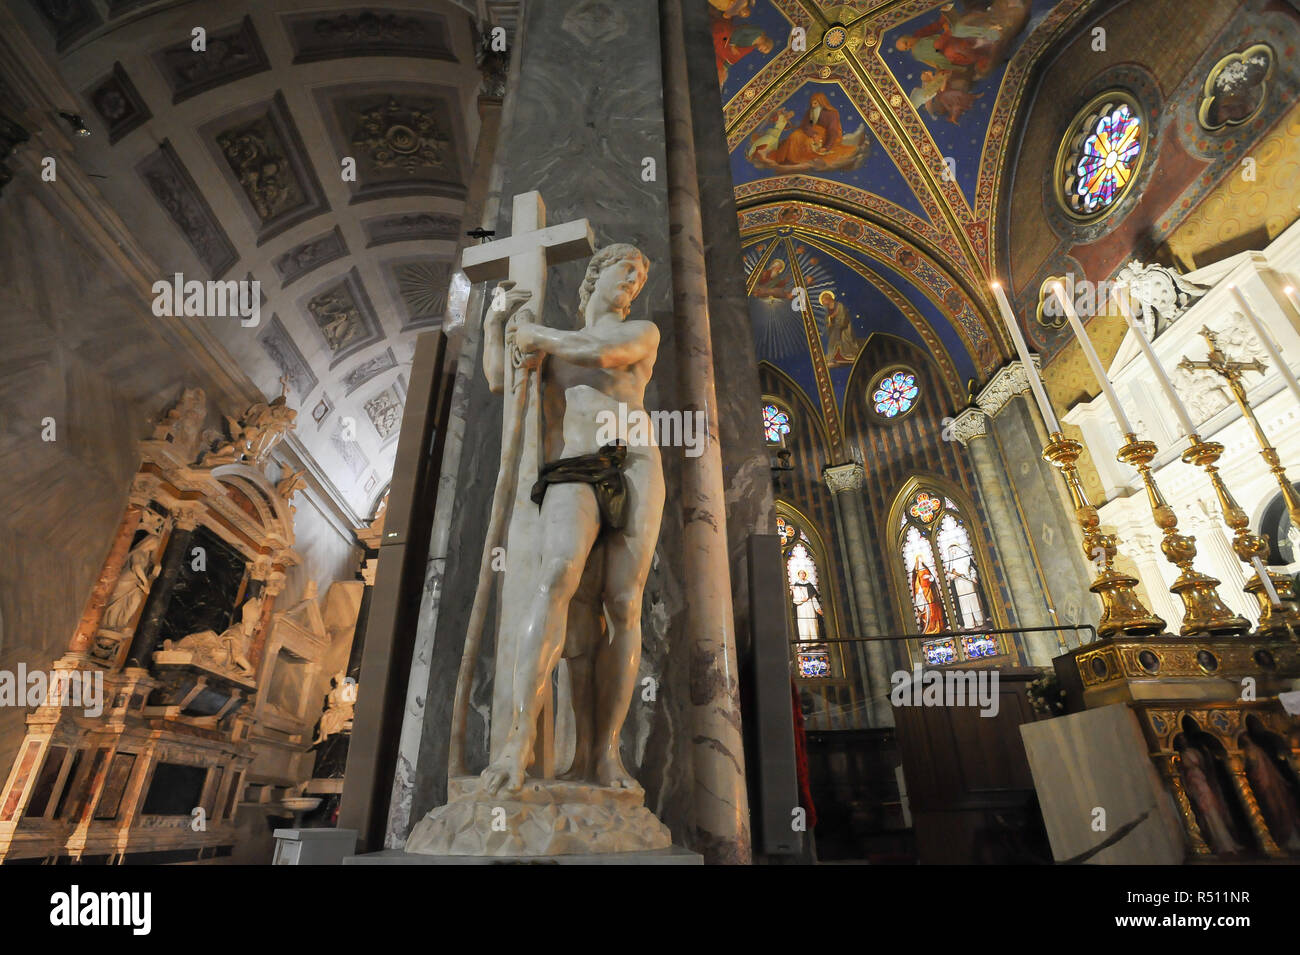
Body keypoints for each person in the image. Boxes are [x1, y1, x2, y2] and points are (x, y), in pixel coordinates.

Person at [479, 244, 664, 796]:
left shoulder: (641, 332)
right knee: (557, 574)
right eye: (624, 268)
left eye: (640, 273)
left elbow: (604, 353)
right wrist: (497, 327)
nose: (633, 279)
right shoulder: (550, 342)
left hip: (632, 462)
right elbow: (501, 384)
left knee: (624, 604)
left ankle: (603, 756)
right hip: (571, 468)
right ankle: (517, 742)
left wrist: (539, 337)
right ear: (594, 275)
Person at [911, 553, 944, 634]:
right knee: (926, 610)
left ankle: (937, 627)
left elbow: (932, 579)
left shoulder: (926, 568)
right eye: (919, 559)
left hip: (930, 591)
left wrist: (930, 577)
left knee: (933, 608)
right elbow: (916, 583)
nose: (920, 560)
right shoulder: (916, 571)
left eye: (921, 559)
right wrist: (919, 590)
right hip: (923, 593)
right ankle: (928, 628)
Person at [790, 569, 824, 642]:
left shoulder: (809, 585)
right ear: (798, 575)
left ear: (805, 575)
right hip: (801, 607)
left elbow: (814, 598)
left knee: (812, 622)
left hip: (810, 606)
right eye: (801, 573)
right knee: (803, 623)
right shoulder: (796, 585)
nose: (802, 575)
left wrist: (817, 608)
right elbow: (794, 599)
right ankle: (805, 643)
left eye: (803, 573)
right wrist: (801, 600)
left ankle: (815, 642)